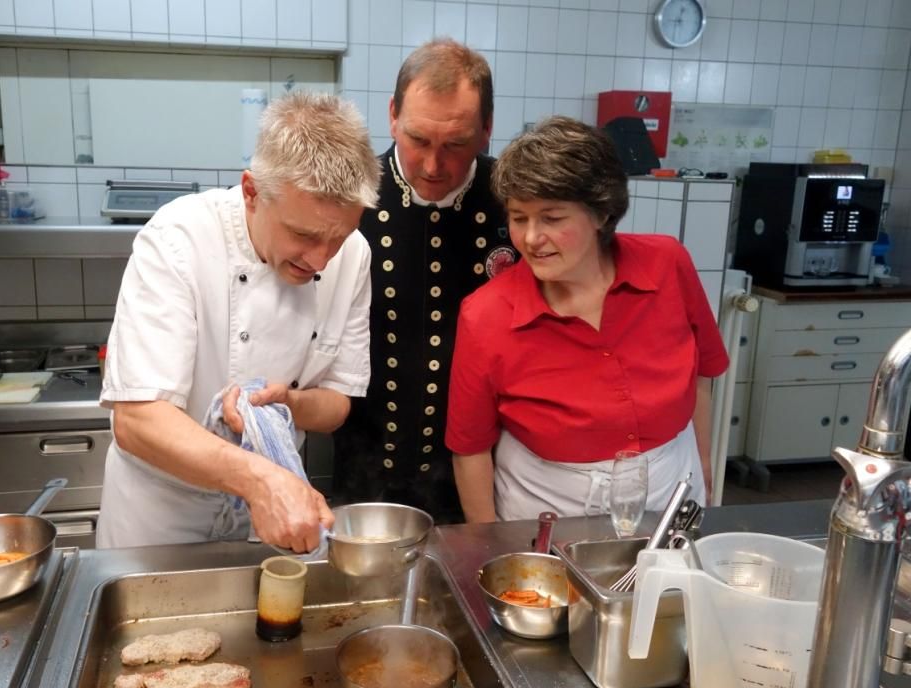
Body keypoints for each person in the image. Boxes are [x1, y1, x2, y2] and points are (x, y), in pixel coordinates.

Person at [96, 92, 381, 551]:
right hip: (161, 516)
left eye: (338, 237)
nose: (321, 259)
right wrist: (260, 481)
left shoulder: (354, 256)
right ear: (251, 192)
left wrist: (288, 402)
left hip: (264, 517)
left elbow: (338, 404)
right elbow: (137, 421)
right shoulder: (178, 240)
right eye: (304, 235)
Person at [445, 116, 729, 523]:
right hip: (546, 511)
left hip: (670, 493)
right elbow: (470, 450)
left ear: (601, 214)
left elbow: (703, 373)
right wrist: (486, 545)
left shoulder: (667, 265)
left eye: (552, 218)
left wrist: (703, 463)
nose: (530, 238)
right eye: (519, 217)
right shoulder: (486, 315)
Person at [331, 38, 518, 523]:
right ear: (393, 116)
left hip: (484, 475)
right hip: (366, 467)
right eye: (417, 140)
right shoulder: (350, 196)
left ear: (486, 130)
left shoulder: (515, 202)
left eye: (456, 144)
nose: (434, 166)